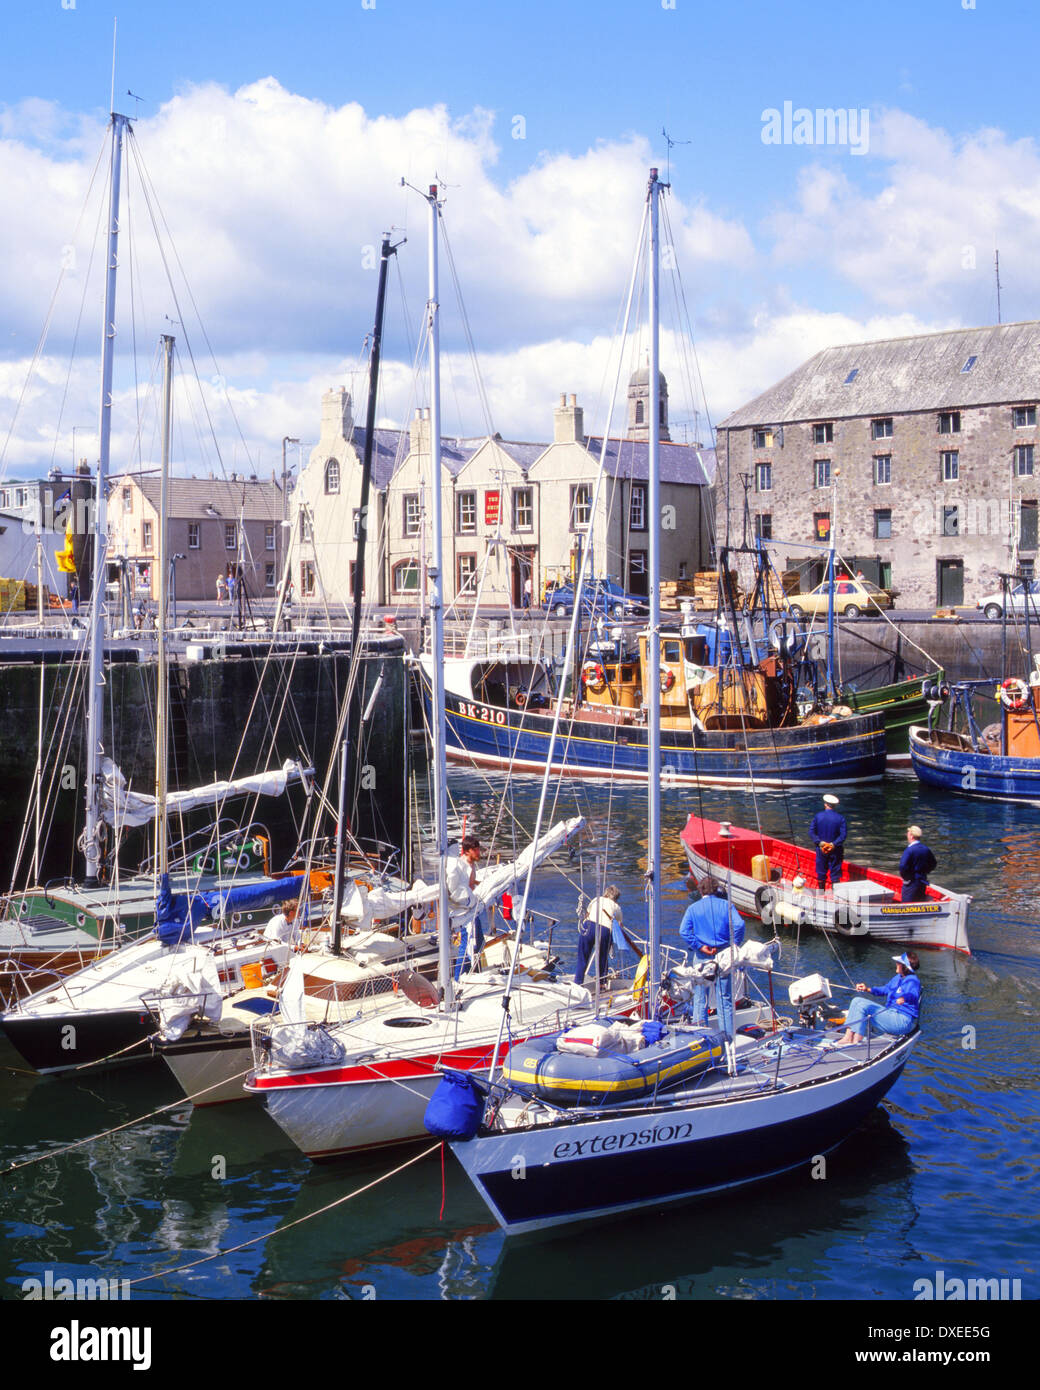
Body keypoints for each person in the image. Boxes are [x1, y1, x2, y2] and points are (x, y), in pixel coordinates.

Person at [679, 875, 745, 1038]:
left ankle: (702, 1038)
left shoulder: (693, 909)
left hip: (702, 957)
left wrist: (700, 946)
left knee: (700, 999)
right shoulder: (727, 906)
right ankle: (728, 1039)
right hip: (723, 956)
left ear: (700, 890)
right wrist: (734, 945)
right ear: (716, 889)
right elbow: (740, 925)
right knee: (725, 1000)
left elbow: (683, 931)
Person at [831, 951, 921, 1046]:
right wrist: (867, 989)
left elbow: (913, 995)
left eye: (899, 963)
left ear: (905, 966)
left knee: (862, 1006)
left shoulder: (913, 980)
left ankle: (856, 1040)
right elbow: (885, 989)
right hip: (891, 1014)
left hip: (902, 1021)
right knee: (856, 1000)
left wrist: (904, 998)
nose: (896, 964)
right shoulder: (898, 977)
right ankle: (848, 1037)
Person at [447, 834, 485, 979]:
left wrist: (479, 884)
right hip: (465, 911)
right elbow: (457, 890)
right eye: (476, 850)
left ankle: (470, 972)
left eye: (478, 849)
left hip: (473, 908)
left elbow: (470, 883)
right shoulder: (462, 866)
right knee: (468, 943)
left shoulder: (471, 864)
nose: (479, 852)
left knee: (479, 941)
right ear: (467, 851)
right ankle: (459, 977)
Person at [574, 885, 622, 985]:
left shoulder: (597, 899)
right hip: (605, 930)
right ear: (616, 898)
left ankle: (578, 982)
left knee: (583, 956)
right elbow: (619, 924)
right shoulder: (616, 907)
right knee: (602, 958)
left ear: (606, 893)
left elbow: (587, 913)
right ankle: (602, 983)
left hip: (589, 925)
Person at [810, 792, 847, 890]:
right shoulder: (841, 818)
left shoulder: (818, 816)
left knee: (821, 872)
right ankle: (836, 896)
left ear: (825, 804)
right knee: (835, 873)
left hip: (821, 849)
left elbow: (812, 832)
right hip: (835, 850)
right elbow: (843, 835)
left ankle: (821, 894)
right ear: (835, 806)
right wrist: (833, 844)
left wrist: (820, 842)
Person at [899, 825, 936, 902]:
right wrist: (925, 871)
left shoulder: (909, 850)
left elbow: (902, 866)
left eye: (908, 834)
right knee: (919, 901)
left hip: (911, 882)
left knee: (906, 905)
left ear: (911, 836)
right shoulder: (926, 849)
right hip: (922, 881)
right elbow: (933, 863)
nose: (907, 835)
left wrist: (906, 877)